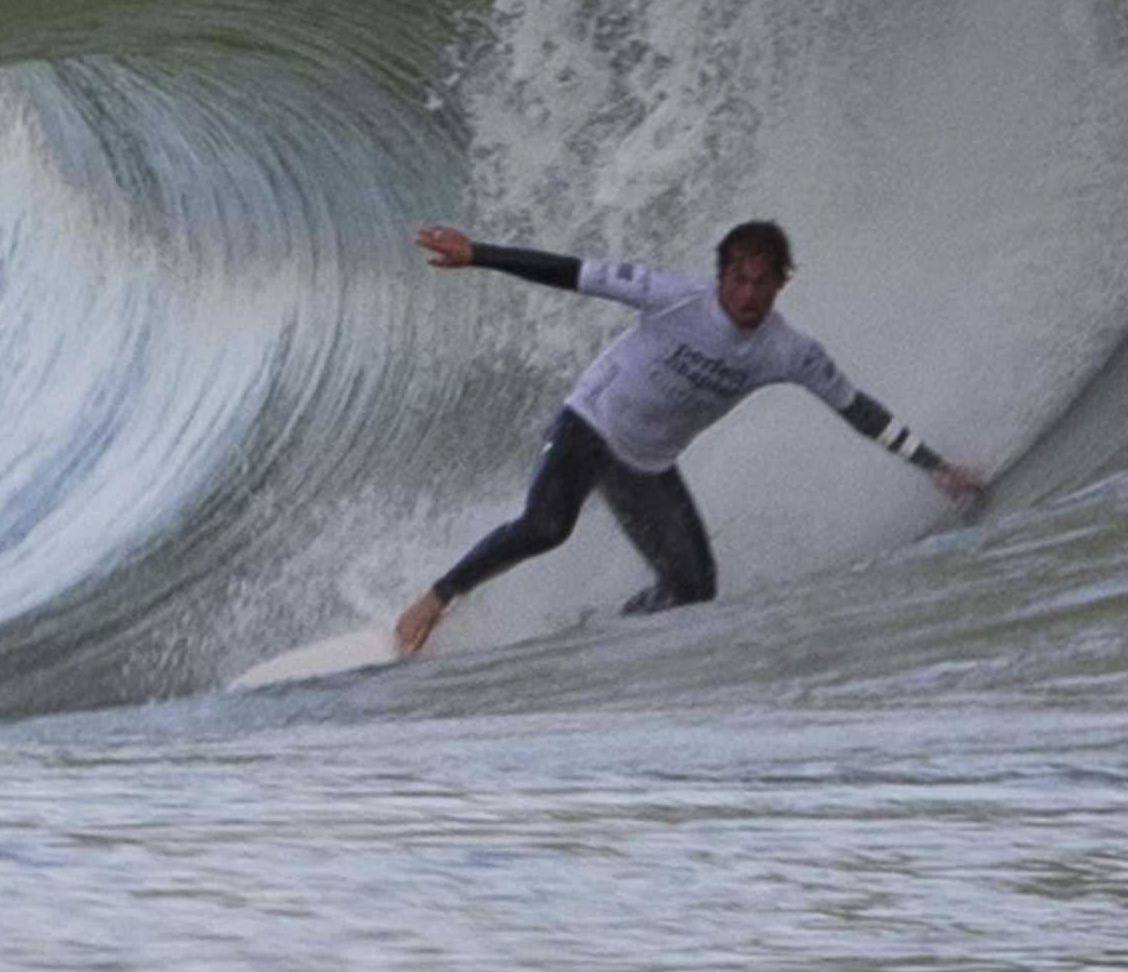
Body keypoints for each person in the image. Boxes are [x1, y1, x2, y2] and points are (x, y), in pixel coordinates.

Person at [389, 218, 987, 654]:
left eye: (762, 284)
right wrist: (478, 255)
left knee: (692, 589)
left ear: (782, 283)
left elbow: (859, 411)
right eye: (738, 279)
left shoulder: (788, 352)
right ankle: (435, 600)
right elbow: (573, 273)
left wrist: (935, 465)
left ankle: (596, 638)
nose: (748, 295)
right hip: (591, 420)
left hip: (644, 463)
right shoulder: (673, 295)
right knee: (547, 525)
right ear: (721, 274)